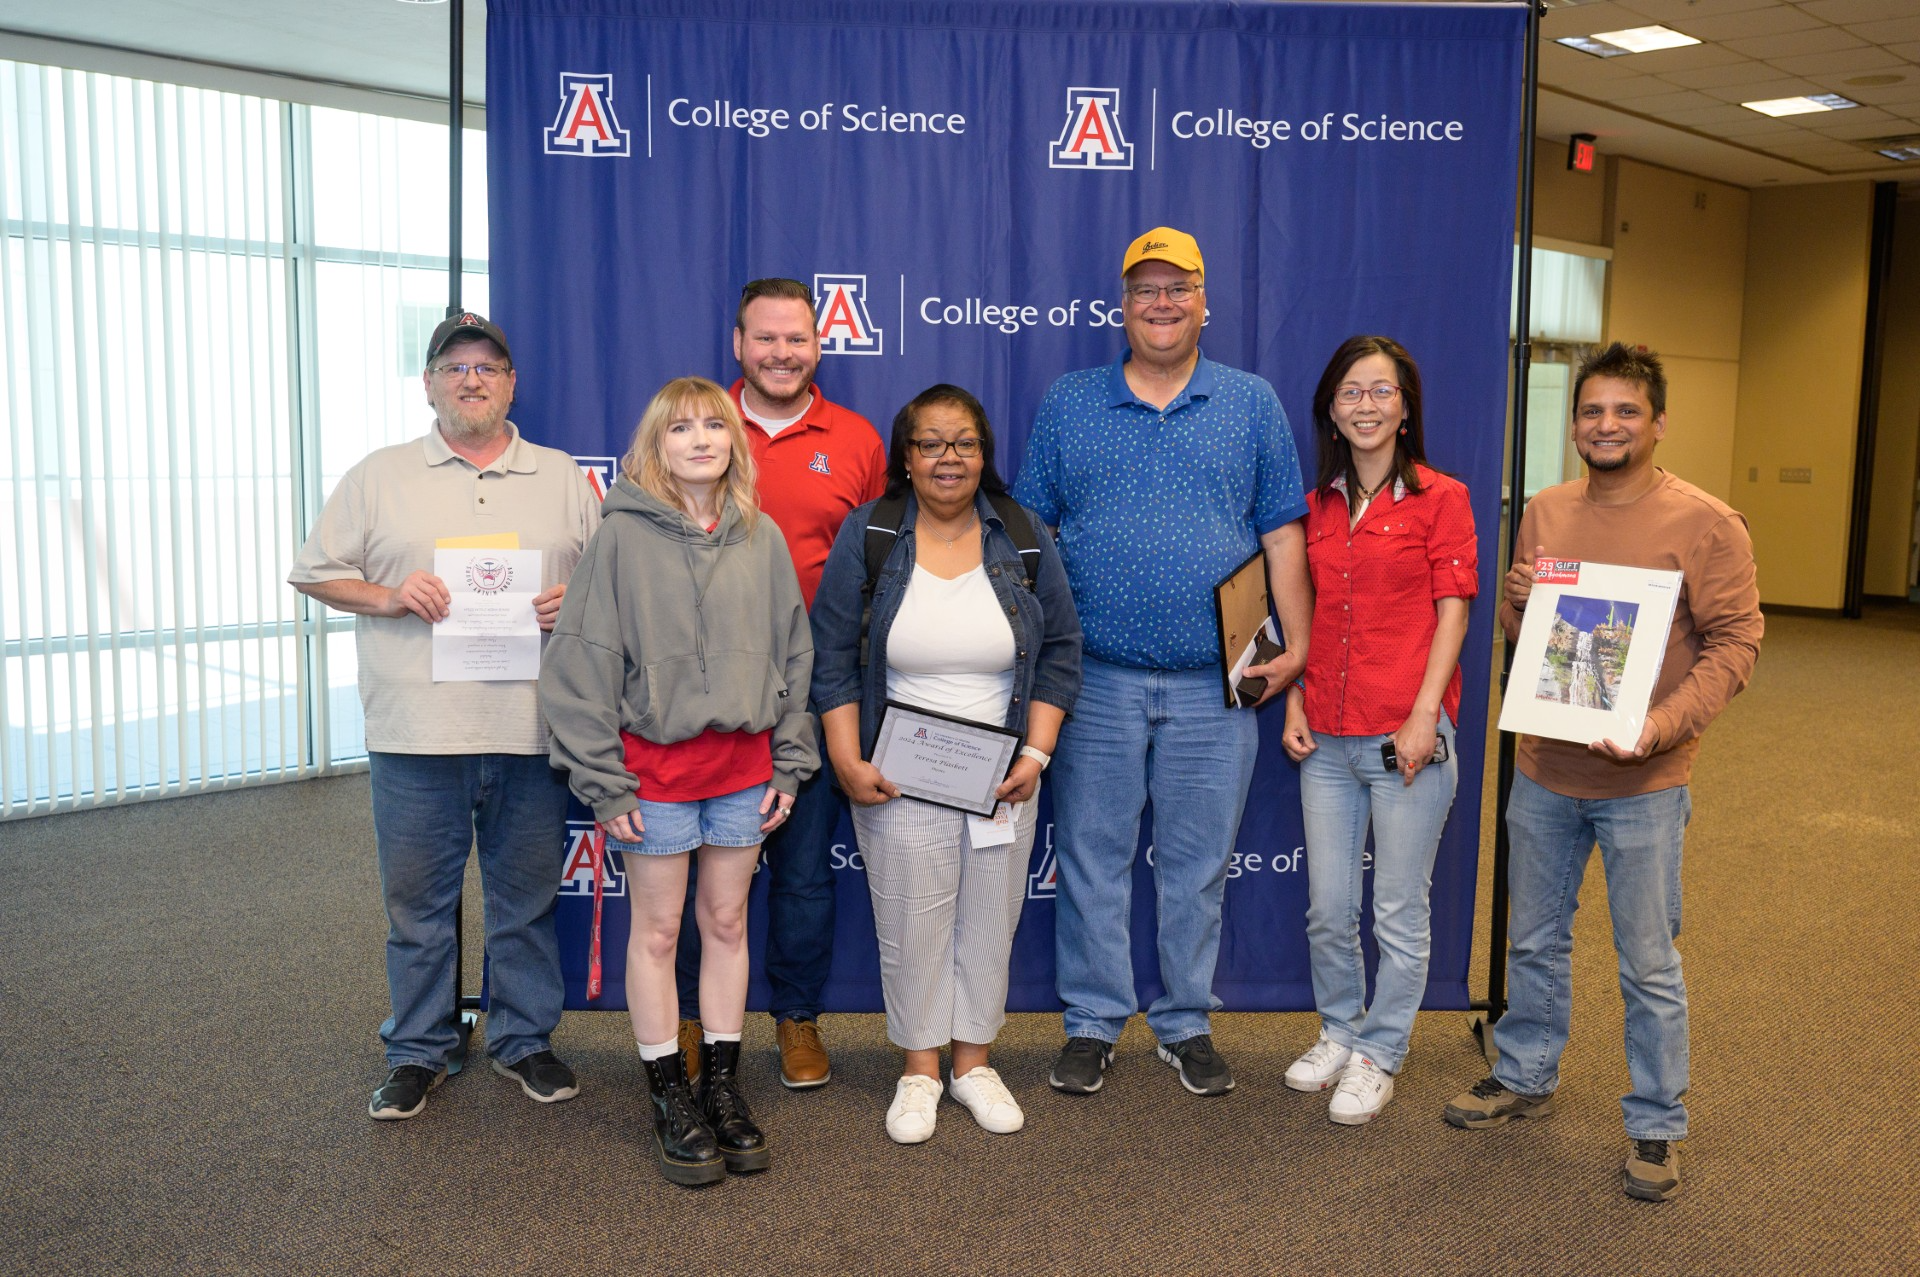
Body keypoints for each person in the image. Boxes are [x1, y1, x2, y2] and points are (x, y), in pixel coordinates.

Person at [1443, 342, 1762, 1202]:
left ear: (1657, 423)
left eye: (1626, 411)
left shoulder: (1706, 522)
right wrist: (1517, 600)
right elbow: (1532, 639)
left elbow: (1737, 644)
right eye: (1592, 411)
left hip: (1645, 785)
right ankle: (1527, 1074)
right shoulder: (1546, 509)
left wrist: (1660, 725)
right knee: (1535, 939)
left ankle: (1657, 1121)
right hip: (1545, 768)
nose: (1607, 425)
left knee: (1647, 959)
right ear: (1574, 421)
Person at [1013, 227, 1311, 1098]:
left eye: (1178, 288)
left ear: (1204, 300)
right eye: (1146, 290)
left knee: (1197, 863)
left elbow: (1282, 530)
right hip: (1096, 678)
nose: (1163, 304)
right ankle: (1094, 1021)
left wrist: (1293, 647)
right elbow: (1033, 533)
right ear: (1123, 305)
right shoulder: (1071, 402)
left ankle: (1185, 1020)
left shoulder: (1251, 402)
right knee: (1095, 857)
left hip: (1220, 682)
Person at [288, 312, 599, 1120]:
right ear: (428, 383)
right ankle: (418, 1049)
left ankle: (523, 1038)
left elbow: (611, 584)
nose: (471, 379)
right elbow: (314, 571)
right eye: (454, 366)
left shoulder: (563, 475)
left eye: (488, 367)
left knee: (525, 899)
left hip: (532, 733)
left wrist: (579, 601)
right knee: (417, 907)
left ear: (510, 383)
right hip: (415, 735)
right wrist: (390, 596)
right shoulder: (378, 475)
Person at [539, 376, 817, 1187]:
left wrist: (790, 761)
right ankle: (669, 1092)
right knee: (658, 933)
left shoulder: (760, 537)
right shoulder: (620, 539)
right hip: (652, 774)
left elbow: (795, 659)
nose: (699, 439)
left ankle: (722, 1085)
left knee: (727, 924)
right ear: (654, 447)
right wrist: (604, 782)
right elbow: (579, 666)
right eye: (680, 428)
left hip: (743, 772)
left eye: (713, 426)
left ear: (734, 440)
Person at [810, 385, 1082, 1144]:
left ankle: (974, 1064)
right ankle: (921, 1069)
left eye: (963, 442)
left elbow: (1060, 648)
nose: (948, 458)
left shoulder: (1023, 534)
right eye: (930, 442)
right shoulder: (870, 533)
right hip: (898, 772)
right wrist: (845, 758)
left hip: (1002, 773)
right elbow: (831, 653)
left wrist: (1036, 751)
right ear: (906, 455)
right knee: (912, 920)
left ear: (984, 454)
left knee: (990, 920)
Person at [674, 278, 888, 1090]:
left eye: (796, 339)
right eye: (765, 339)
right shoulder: (696, 432)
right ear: (737, 345)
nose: (781, 354)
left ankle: (796, 1017)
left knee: (802, 873)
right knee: (698, 868)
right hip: (703, 698)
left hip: (813, 694)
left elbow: (880, 572)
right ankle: (690, 1019)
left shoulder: (860, 440)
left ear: (818, 345)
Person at [1278, 336, 1477, 1125]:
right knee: (1330, 908)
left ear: (1406, 407)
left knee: (1397, 908)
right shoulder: (1315, 504)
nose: (1366, 404)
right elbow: (1309, 616)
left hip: (1407, 737)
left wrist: (1428, 711)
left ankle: (1381, 1049)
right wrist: (1294, 699)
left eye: (1381, 391)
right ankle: (1339, 1028)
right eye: (1351, 391)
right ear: (1331, 407)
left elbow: (1453, 609)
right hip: (1324, 735)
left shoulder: (1443, 497)